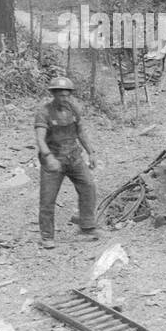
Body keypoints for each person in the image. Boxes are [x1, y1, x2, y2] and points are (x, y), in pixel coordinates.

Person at [35, 76, 99, 249]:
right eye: (61, 95)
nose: (64, 98)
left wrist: (91, 153)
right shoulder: (44, 112)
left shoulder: (74, 109)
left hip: (74, 157)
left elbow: (81, 132)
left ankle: (86, 226)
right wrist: (48, 157)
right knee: (48, 199)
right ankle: (47, 236)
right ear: (53, 94)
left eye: (67, 95)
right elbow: (40, 139)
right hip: (53, 160)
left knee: (88, 186)